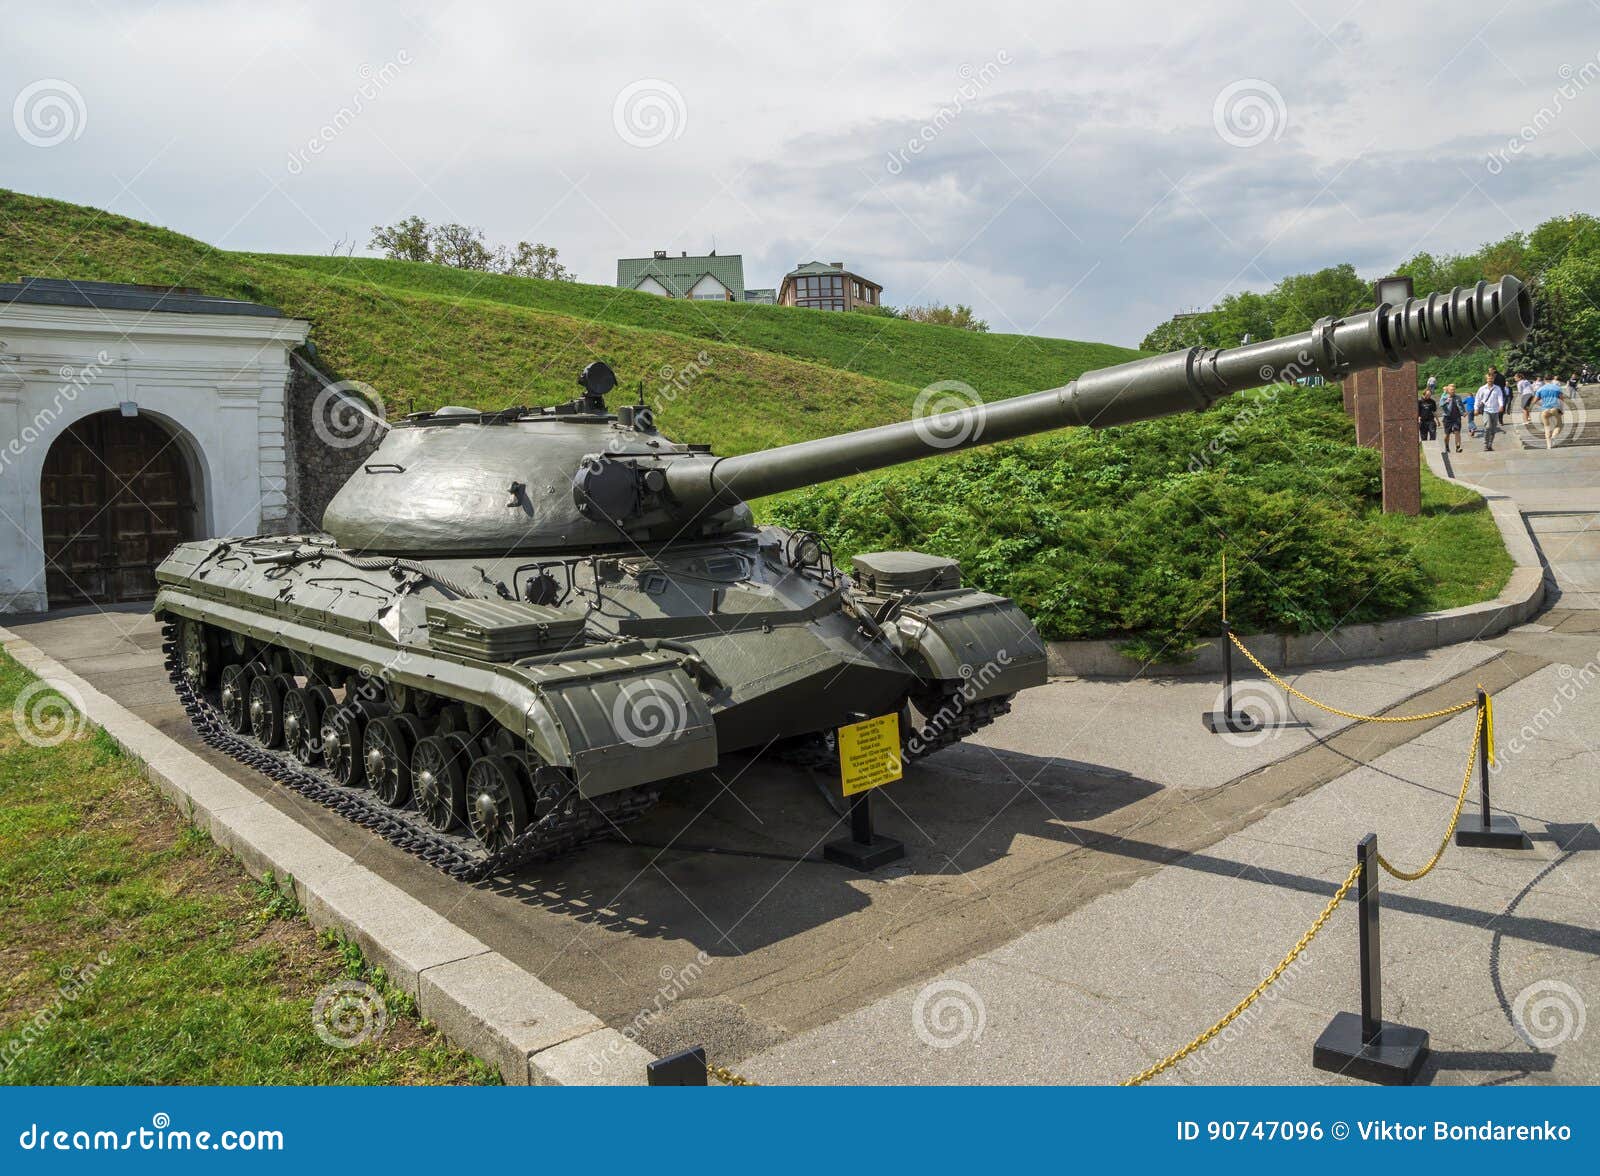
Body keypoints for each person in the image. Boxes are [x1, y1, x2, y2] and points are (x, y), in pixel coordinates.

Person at [1537, 376, 1566, 449]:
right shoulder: (1557, 388)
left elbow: (1535, 401)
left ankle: (1549, 446)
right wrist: (1562, 409)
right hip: (1555, 408)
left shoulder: (1540, 389)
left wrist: (1541, 405)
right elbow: (1562, 399)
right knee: (1559, 424)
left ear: (1544, 380)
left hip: (1545, 410)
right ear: (1552, 379)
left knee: (1546, 427)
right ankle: (1553, 436)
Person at [1479, 372, 1506, 451]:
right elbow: (1478, 398)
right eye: (1488, 379)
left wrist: (1501, 405)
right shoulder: (1482, 388)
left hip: (1495, 411)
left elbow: (1500, 397)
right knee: (1487, 427)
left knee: (1493, 430)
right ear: (1486, 379)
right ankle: (1485, 444)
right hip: (1486, 410)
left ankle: (1490, 445)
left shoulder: (1497, 388)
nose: (1490, 380)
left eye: (1491, 379)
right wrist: (1476, 408)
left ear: (1493, 379)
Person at [1439, 385, 1463, 453]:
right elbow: (1441, 405)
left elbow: (1461, 405)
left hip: (1456, 417)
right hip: (1447, 417)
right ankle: (1447, 446)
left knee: (1457, 431)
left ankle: (1458, 447)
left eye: (1454, 389)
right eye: (1451, 390)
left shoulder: (1458, 397)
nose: (1453, 391)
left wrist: (1463, 412)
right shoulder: (1444, 397)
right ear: (1448, 391)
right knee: (1447, 434)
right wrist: (1446, 401)